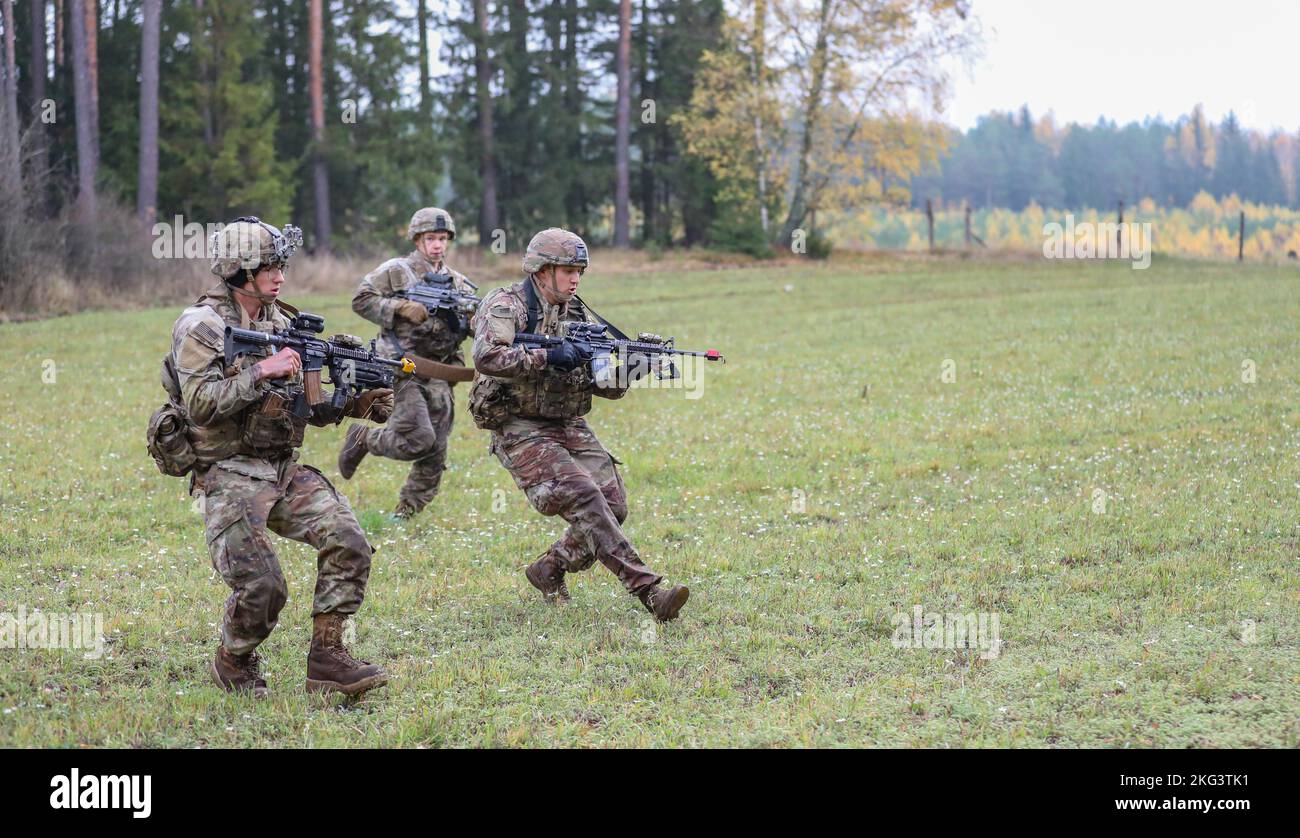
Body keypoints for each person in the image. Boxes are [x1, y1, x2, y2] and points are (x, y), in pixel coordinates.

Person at [162, 217, 394, 698]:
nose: (279, 274)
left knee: (349, 540)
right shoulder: (201, 326)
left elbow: (306, 406)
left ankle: (328, 662)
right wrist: (262, 371)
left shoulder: (283, 322)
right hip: (226, 472)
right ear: (239, 270)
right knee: (265, 587)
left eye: (282, 263)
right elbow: (199, 404)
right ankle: (234, 661)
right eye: (268, 265)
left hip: (280, 467)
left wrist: (355, 400)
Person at [468, 228, 689, 622]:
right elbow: (487, 356)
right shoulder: (506, 304)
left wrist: (636, 367)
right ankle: (649, 591)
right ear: (541, 270)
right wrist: (547, 357)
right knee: (585, 495)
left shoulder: (578, 314)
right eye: (568, 270)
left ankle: (549, 568)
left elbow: (602, 385)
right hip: (519, 425)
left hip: (567, 421)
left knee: (614, 507)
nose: (576, 279)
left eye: (580, 272)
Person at [339, 207, 476, 520]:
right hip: (403, 369)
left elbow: (474, 323)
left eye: (442, 238)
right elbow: (361, 300)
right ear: (417, 239)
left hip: (441, 371)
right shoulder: (396, 271)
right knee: (418, 439)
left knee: (436, 450)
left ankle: (406, 512)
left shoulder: (460, 283)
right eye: (431, 238)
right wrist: (399, 307)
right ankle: (363, 438)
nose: (437, 245)